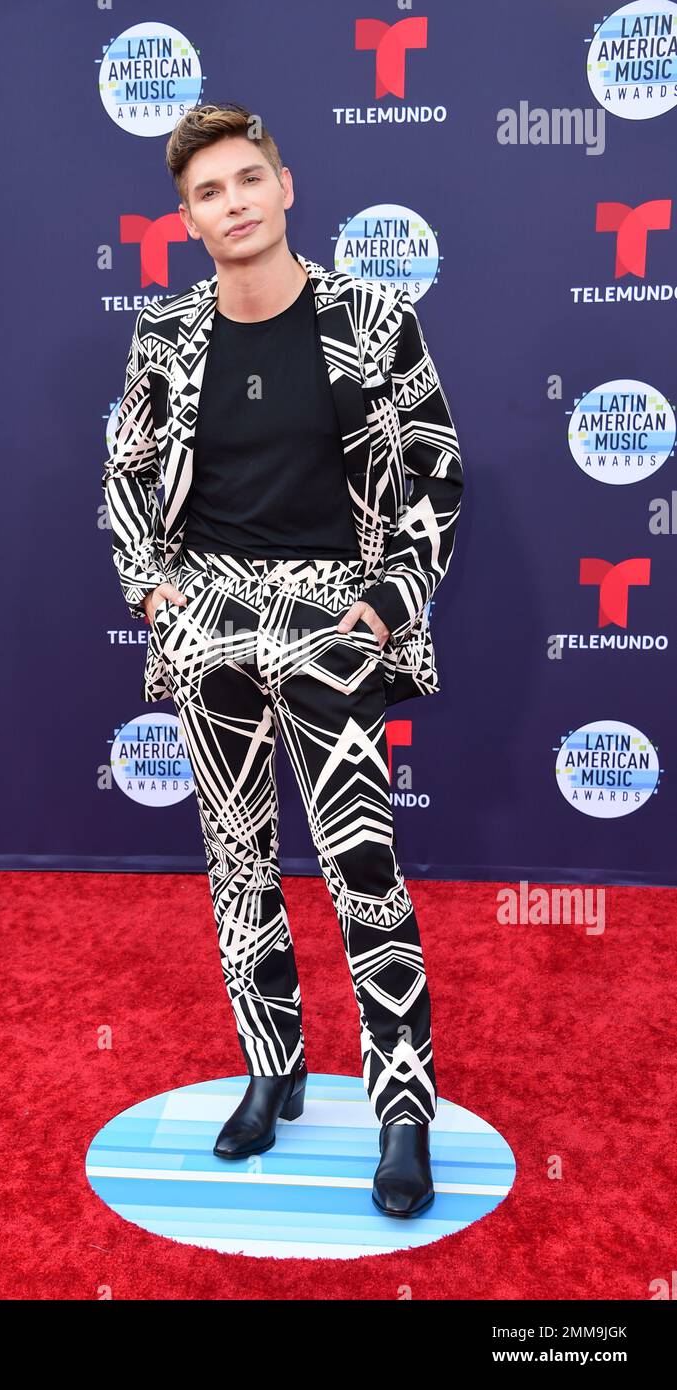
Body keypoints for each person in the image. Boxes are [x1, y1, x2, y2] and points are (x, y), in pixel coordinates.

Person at [102, 102, 464, 1217]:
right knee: (238, 863)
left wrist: (387, 604)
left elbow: (438, 470)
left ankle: (402, 1106)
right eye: (208, 192)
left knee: (361, 862)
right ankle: (275, 1068)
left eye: (247, 179)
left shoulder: (371, 316)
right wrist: (154, 589)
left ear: (286, 186)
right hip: (208, 616)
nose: (234, 203)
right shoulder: (165, 334)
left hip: (331, 619)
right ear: (188, 218)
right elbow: (126, 473)